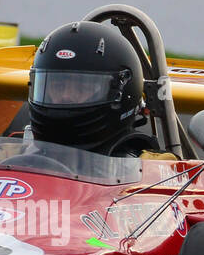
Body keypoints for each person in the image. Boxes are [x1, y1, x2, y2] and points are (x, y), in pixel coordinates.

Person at [25, 20, 157, 158]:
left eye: (81, 88)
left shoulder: (142, 171)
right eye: (57, 86)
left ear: (121, 95)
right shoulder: (19, 162)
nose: (66, 96)